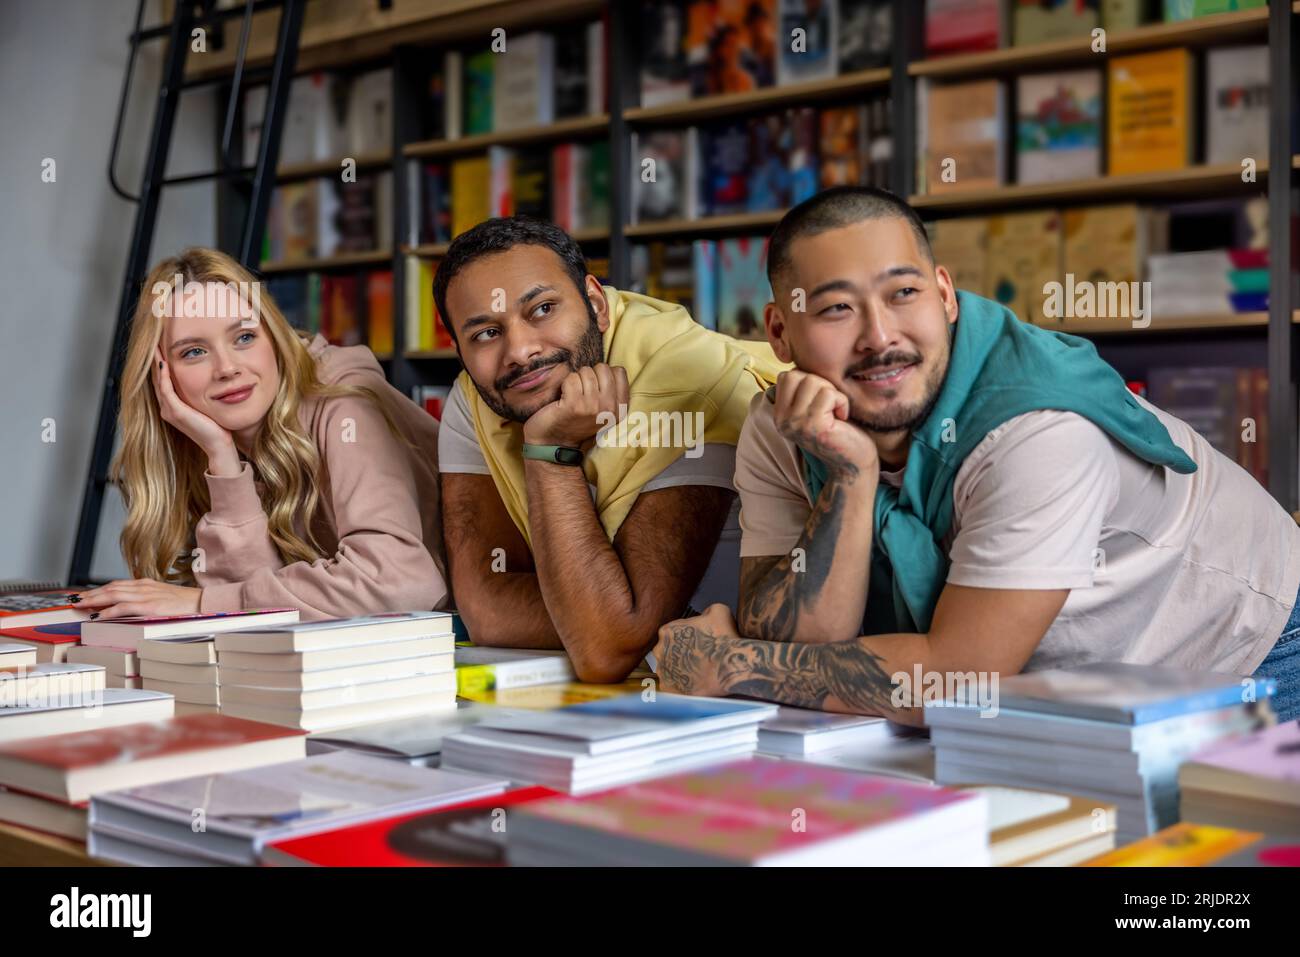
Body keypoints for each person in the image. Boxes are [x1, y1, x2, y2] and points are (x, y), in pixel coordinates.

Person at [653, 186, 1300, 724]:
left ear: (945, 294)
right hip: (1061, 681)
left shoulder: (1038, 429)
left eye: (903, 293)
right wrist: (850, 475)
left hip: (1246, 648)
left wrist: (730, 665)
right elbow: (800, 639)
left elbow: (956, 677)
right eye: (837, 308)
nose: (881, 337)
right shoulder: (782, 425)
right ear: (779, 332)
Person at [435, 217, 785, 682]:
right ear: (461, 353)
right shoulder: (480, 394)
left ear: (596, 305)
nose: (519, 351)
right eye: (485, 333)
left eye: (541, 309)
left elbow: (609, 645)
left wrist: (551, 451)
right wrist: (593, 618)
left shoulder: (691, 380)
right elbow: (486, 610)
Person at [75, 247, 448, 620]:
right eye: (193, 352)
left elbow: (403, 583)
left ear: (274, 335)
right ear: (161, 373)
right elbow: (256, 605)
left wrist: (199, 603)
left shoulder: (345, 407)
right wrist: (222, 458)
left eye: (244, 338)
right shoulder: (216, 442)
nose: (227, 368)